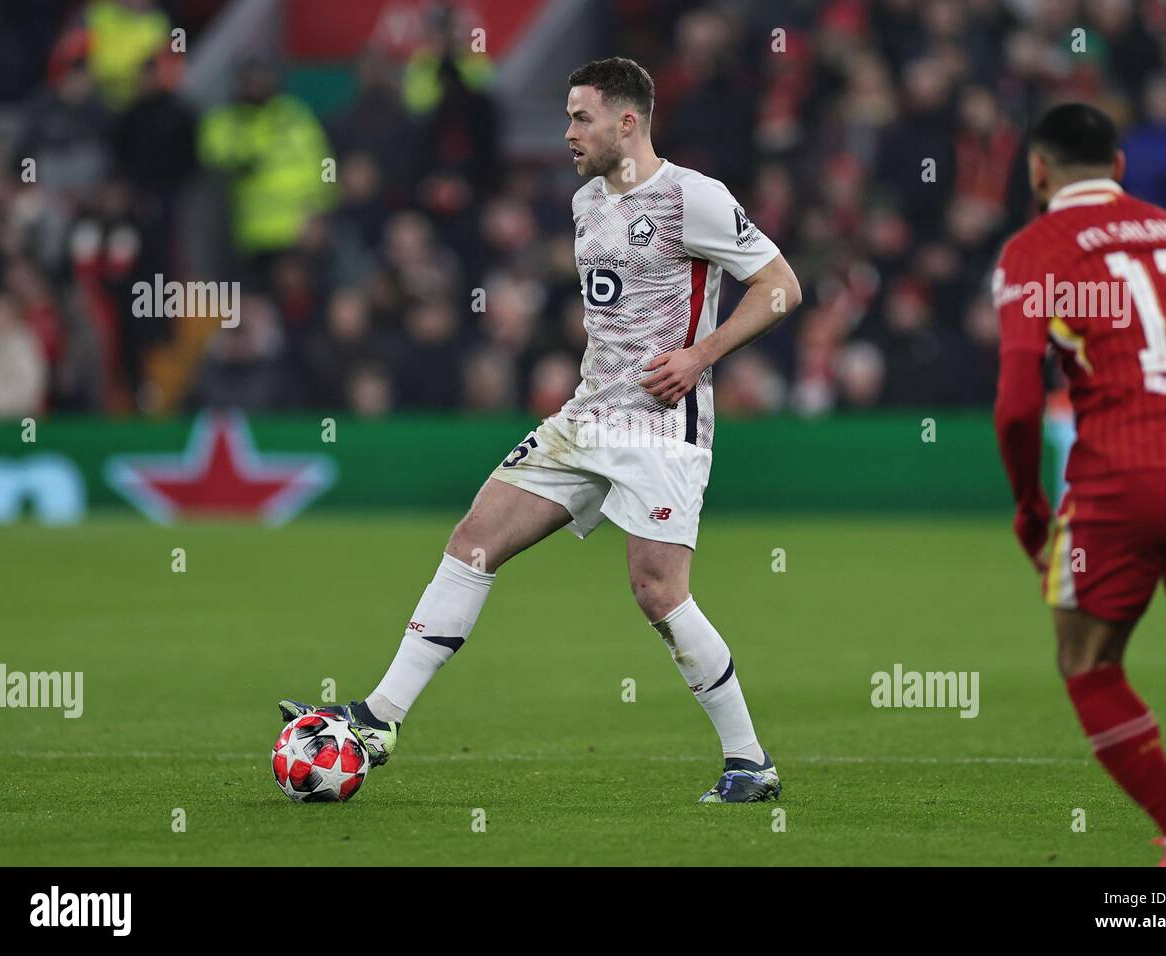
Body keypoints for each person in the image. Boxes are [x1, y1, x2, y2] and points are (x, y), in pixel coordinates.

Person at [279, 57, 802, 803]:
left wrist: (701, 354)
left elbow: (781, 287)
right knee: (474, 539)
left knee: (658, 594)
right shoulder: (587, 202)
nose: (567, 133)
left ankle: (749, 761)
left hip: (662, 428)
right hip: (586, 418)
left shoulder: (696, 198)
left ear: (628, 121)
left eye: (580, 117)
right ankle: (376, 719)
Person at [993, 102, 1166, 865]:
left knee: (1088, 663)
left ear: (1038, 172)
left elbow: (1020, 405)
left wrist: (1029, 505)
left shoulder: (1033, 250)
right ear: (1120, 168)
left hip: (1124, 471)